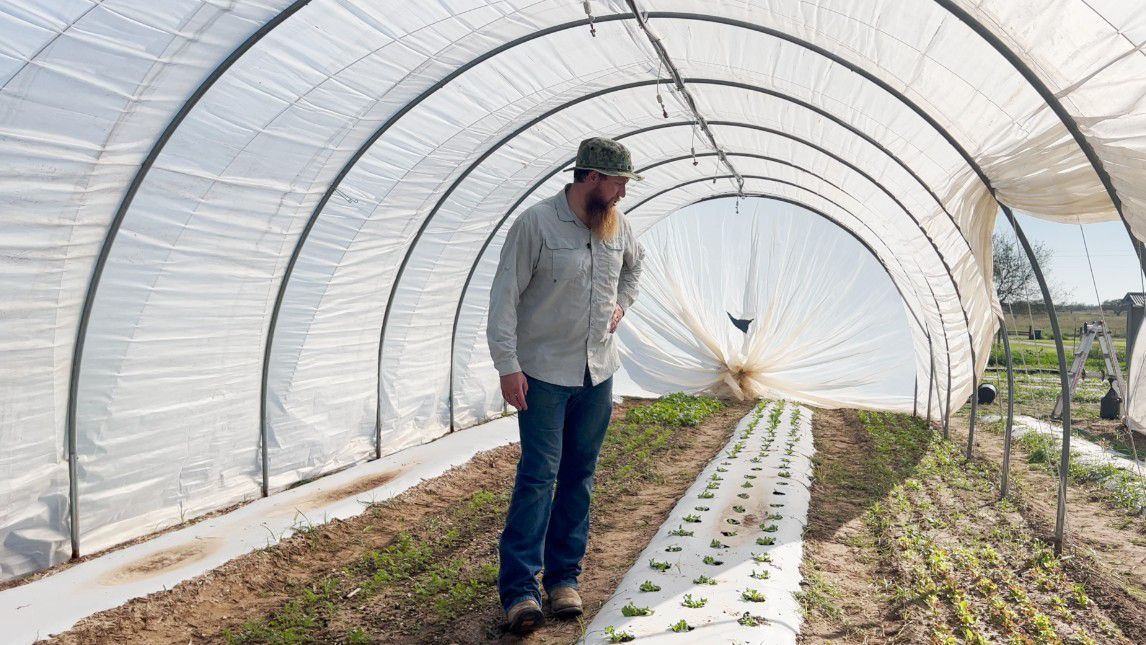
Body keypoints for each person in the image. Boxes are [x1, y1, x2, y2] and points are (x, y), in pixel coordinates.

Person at [486, 137, 645, 634]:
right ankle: (520, 590)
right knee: (538, 476)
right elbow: (504, 297)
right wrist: (508, 366)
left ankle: (563, 580)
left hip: (597, 373)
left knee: (579, 475)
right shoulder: (536, 224)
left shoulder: (616, 225)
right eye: (618, 183)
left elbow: (635, 267)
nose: (622, 193)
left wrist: (621, 304)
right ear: (591, 178)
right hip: (543, 374)